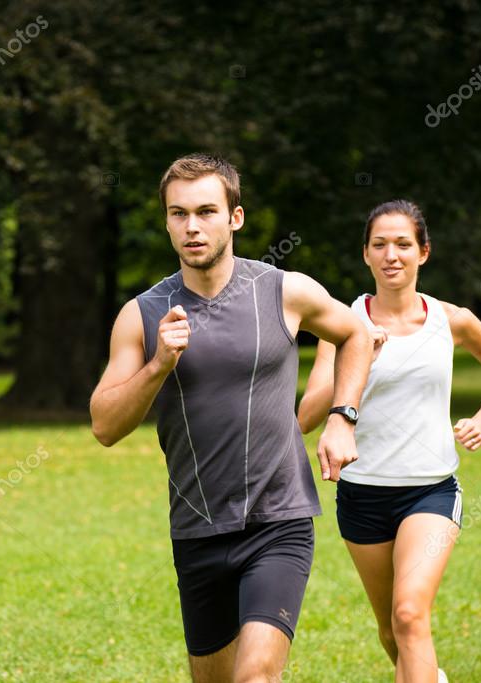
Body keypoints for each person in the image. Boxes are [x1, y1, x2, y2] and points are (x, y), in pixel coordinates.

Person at [90, 153, 374, 682]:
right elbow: (105, 426)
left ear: (234, 217)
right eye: (178, 214)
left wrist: (343, 417)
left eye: (206, 211)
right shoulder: (143, 313)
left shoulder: (285, 291)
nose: (192, 227)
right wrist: (158, 364)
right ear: (166, 222)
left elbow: (355, 332)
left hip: (278, 521)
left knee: (255, 676)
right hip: (196, 528)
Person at [297, 200, 481, 683]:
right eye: (379, 244)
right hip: (361, 495)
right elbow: (307, 416)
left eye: (403, 244)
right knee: (390, 631)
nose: (391, 255)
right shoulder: (342, 324)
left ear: (423, 252)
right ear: (365, 254)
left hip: (430, 491)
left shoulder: (452, 320)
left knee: (409, 615)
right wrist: (359, 354)